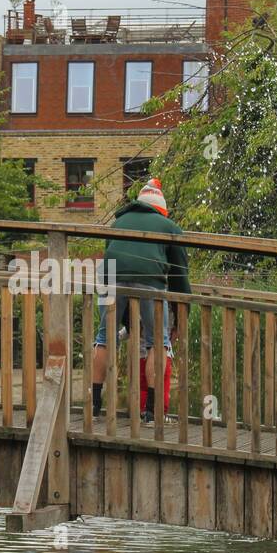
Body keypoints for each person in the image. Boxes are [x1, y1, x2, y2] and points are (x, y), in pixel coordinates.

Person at [92, 178, 191, 425]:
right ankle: (152, 415)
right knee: (157, 342)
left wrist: (127, 322)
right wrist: (181, 316)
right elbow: (179, 276)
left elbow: (111, 262)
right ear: (160, 210)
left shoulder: (118, 222)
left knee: (104, 338)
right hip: (151, 282)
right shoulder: (169, 227)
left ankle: (93, 409)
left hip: (111, 279)